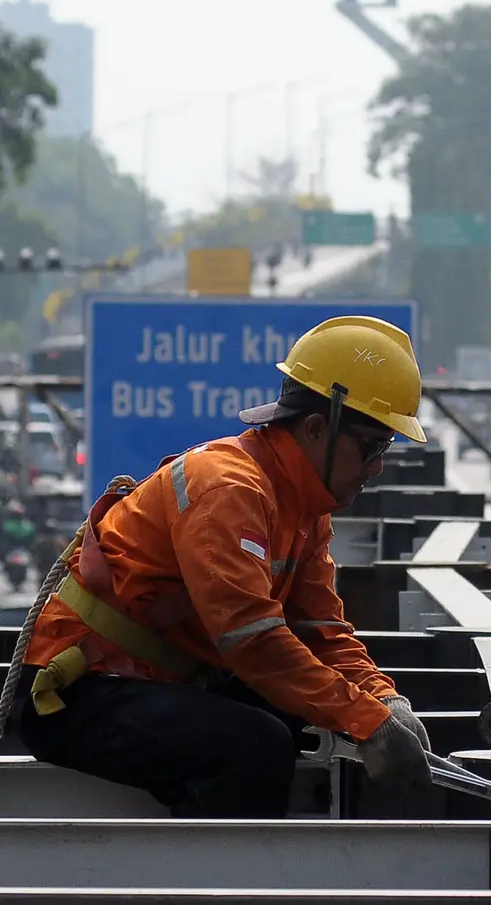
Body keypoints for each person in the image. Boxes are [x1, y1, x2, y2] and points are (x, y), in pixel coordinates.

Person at [16, 316, 433, 817]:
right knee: (255, 746)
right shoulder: (229, 490)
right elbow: (252, 640)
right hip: (78, 693)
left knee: (309, 717)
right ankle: (221, 869)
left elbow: (322, 631)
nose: (377, 467)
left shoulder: (305, 507)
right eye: (372, 446)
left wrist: (383, 701)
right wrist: (365, 719)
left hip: (155, 679)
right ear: (317, 429)